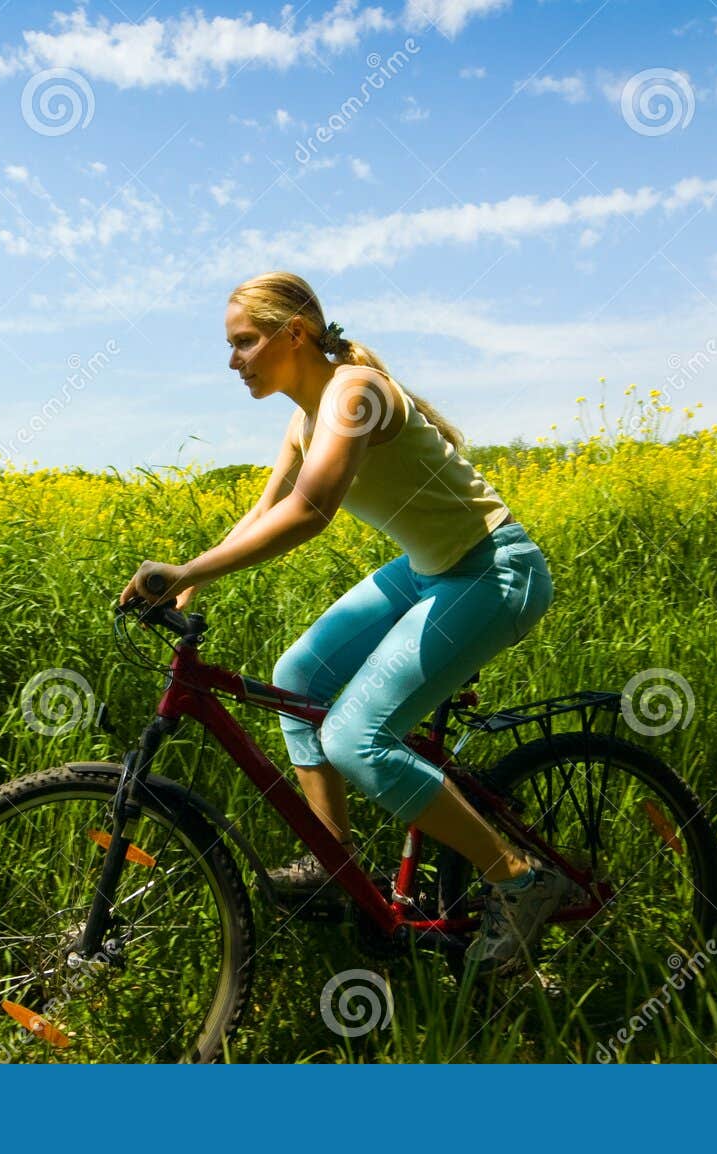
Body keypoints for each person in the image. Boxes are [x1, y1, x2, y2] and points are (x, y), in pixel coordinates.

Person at [118, 271, 575, 976]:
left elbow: (311, 511)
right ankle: (335, 861)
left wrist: (186, 572)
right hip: (430, 570)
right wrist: (190, 574)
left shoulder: (355, 393)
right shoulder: (302, 418)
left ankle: (518, 878)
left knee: (357, 739)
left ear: (292, 334)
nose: (232, 361)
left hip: (493, 572)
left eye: (243, 342)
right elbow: (268, 510)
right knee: (298, 676)